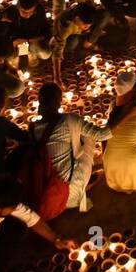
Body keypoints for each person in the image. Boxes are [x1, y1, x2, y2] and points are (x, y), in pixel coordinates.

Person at [31, 81, 111, 213]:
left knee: (73, 137)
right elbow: (102, 134)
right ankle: (84, 182)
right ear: (59, 101)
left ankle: (83, 181)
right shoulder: (69, 119)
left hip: (44, 194)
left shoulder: (32, 128)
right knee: (89, 137)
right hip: (68, 195)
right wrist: (126, 114)